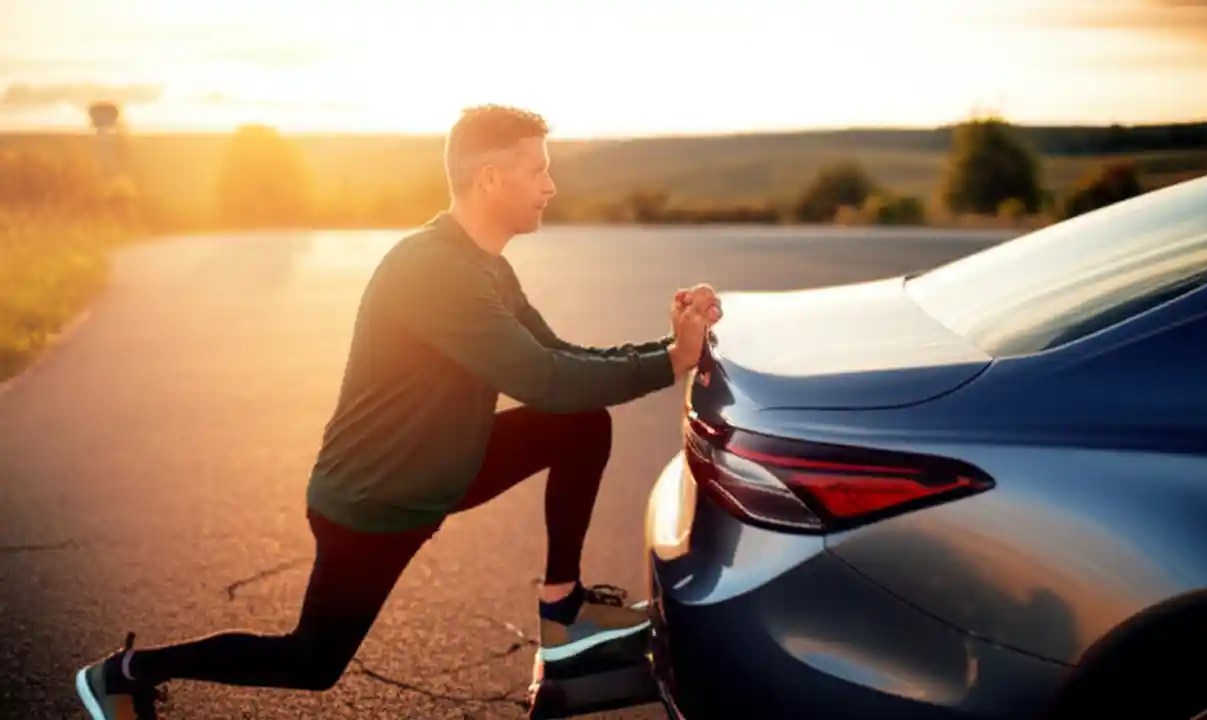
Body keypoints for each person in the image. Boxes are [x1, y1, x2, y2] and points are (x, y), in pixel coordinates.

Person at [74, 105, 722, 719]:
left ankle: (564, 610)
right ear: (490, 178)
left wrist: (670, 346)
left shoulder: (483, 266)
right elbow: (545, 379)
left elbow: (558, 357)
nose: (550, 185)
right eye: (538, 170)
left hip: (444, 463)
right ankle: (128, 673)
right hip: (374, 500)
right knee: (312, 661)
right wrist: (668, 362)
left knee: (580, 425)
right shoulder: (435, 271)